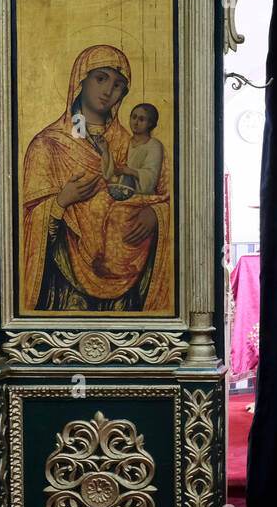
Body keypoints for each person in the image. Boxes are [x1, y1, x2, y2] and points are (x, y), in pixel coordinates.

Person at [20, 44, 171, 311]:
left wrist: (155, 216)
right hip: (65, 285)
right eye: (101, 78)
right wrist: (60, 202)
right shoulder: (49, 145)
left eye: (118, 85)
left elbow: (168, 198)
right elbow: (26, 226)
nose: (108, 91)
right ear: (81, 78)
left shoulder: (133, 144)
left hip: (127, 276)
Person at [106, 102, 166, 201]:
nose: (136, 122)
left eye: (141, 119)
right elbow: (110, 172)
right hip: (118, 192)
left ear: (150, 123)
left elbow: (151, 178)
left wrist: (129, 171)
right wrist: (105, 150)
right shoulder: (124, 142)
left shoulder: (154, 145)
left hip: (142, 197)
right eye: (134, 117)